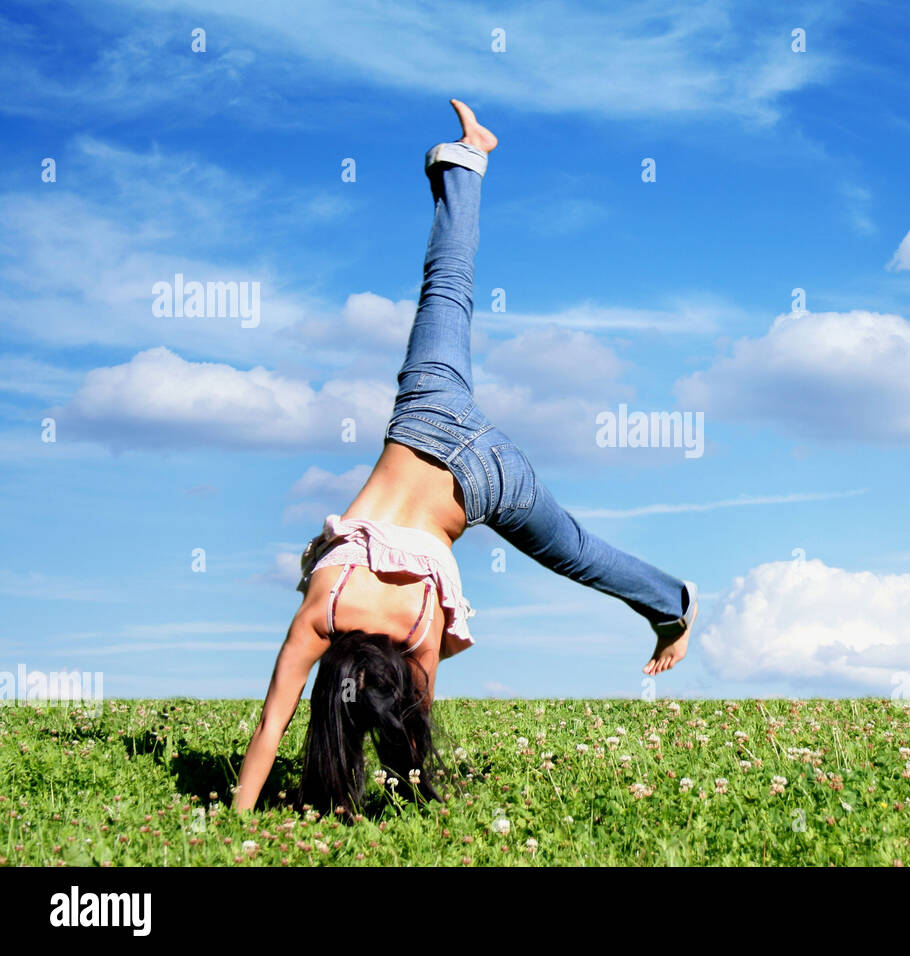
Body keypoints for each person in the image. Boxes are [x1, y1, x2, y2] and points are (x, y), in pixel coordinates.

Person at [233, 99, 697, 815]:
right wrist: (239, 813)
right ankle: (466, 160)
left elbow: (287, 726)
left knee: (574, 549)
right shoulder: (323, 606)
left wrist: (243, 825)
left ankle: (674, 606)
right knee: (446, 290)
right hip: (427, 415)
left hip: (488, 484)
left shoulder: (418, 630)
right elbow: (271, 726)